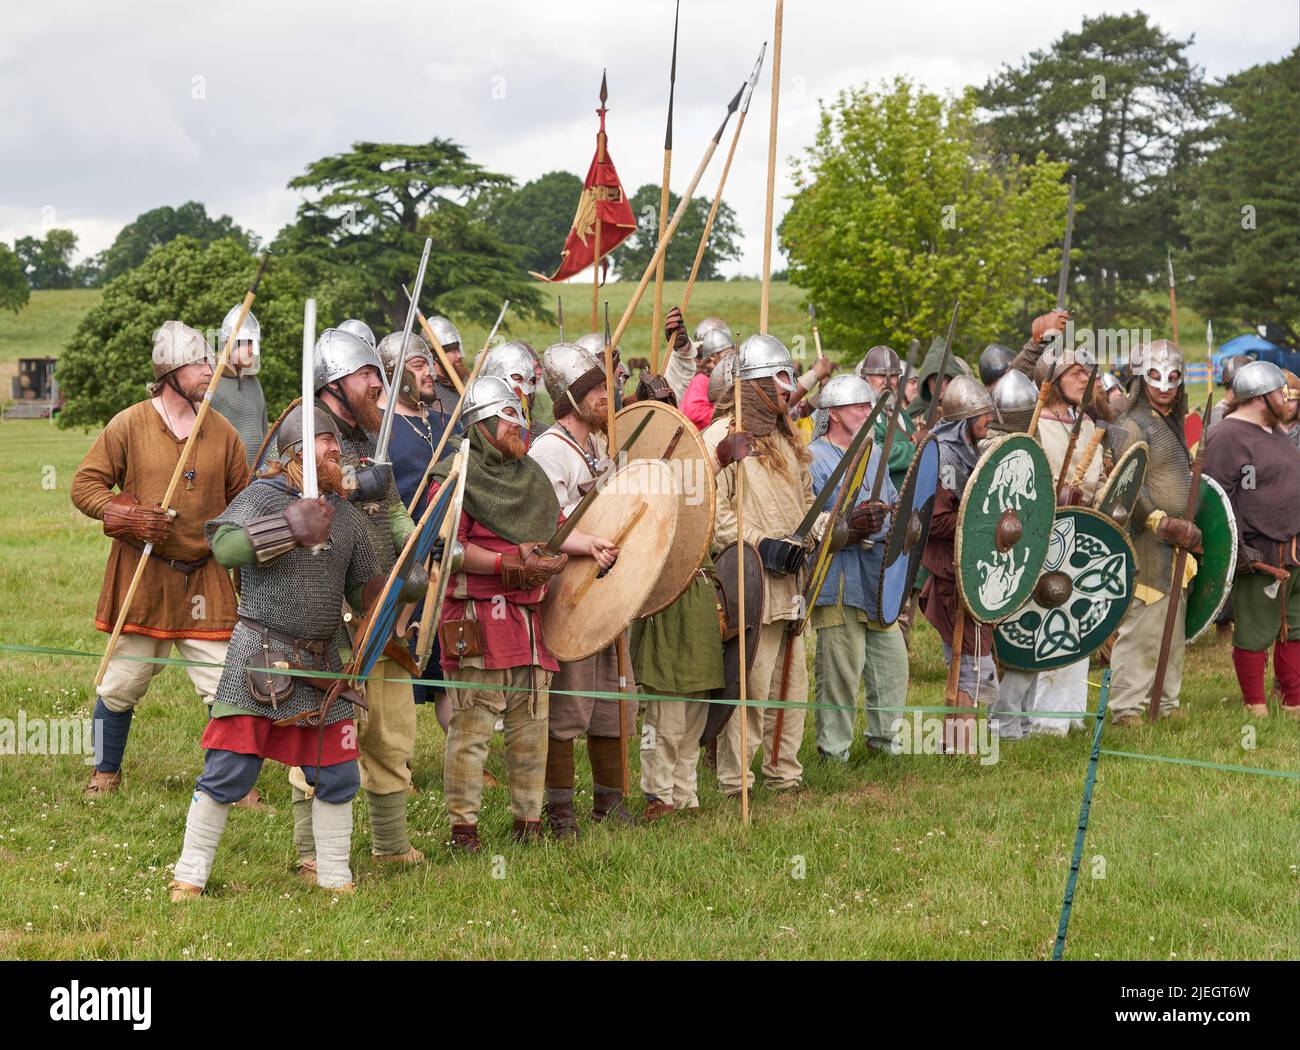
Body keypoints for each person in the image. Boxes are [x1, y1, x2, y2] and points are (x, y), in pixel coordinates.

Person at [169, 405, 384, 900]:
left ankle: (334, 877)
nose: (340, 451)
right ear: (296, 453)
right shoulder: (264, 496)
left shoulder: (345, 515)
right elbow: (222, 546)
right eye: (327, 442)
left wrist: (393, 589)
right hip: (260, 655)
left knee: (336, 773)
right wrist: (290, 527)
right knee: (229, 767)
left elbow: (362, 587)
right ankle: (190, 875)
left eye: (338, 442)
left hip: (325, 662)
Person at [71, 321, 249, 797]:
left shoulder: (223, 431)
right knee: (121, 683)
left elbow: (245, 500)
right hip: (143, 576)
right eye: (200, 364)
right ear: (171, 371)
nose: (211, 371)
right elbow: (85, 486)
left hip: (204, 578)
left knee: (224, 686)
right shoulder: (129, 424)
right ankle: (105, 772)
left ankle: (232, 784)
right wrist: (129, 518)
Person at [289, 328, 424, 873]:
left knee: (391, 728)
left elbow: (392, 513)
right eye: (368, 375)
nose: (378, 384)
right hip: (323, 607)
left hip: (379, 606)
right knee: (320, 729)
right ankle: (308, 852)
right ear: (337, 383)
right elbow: (288, 496)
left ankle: (391, 845)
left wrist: (415, 547)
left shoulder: (374, 439)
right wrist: (347, 479)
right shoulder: (300, 435)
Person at [428, 376, 584, 850]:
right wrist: (503, 563)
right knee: (471, 728)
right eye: (509, 417)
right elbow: (444, 548)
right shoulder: (453, 476)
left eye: (520, 414)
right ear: (482, 425)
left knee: (531, 726)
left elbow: (555, 530)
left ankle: (528, 824)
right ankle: (464, 830)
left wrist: (588, 546)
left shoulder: (529, 476)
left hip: (527, 621)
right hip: (474, 618)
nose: (520, 425)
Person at [702, 334, 814, 796]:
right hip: (749, 583)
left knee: (792, 688)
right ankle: (736, 780)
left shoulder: (786, 439)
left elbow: (807, 504)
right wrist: (759, 545)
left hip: (793, 582)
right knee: (751, 685)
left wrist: (835, 524)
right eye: (780, 378)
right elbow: (711, 515)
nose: (789, 389)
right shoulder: (721, 438)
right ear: (754, 383)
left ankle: (784, 774)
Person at [528, 342, 632, 837]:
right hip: (569, 590)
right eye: (594, 390)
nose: (605, 396)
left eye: (604, 386)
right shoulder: (549, 450)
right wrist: (588, 542)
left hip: (606, 587)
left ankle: (610, 803)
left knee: (612, 696)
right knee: (570, 703)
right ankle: (561, 813)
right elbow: (542, 523)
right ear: (570, 397)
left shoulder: (599, 446)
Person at [630, 325, 728, 818]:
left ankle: (684, 790)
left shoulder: (691, 450)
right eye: (658, 400)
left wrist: (685, 349)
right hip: (660, 589)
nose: (668, 402)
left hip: (698, 586)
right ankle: (657, 792)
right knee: (666, 703)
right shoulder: (631, 459)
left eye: (671, 398)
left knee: (696, 698)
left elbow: (697, 488)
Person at [995, 350, 1104, 740]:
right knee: (1031, 628)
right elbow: (1019, 478)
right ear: (1051, 378)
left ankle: (1065, 716)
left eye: (1088, 372)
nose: (1084, 378)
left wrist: (1101, 501)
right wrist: (1048, 500)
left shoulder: (1088, 424)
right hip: (1040, 538)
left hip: (1081, 536)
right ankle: (1017, 721)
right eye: (1075, 371)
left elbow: (1100, 479)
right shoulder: (1034, 425)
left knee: (1072, 623)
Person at [1106, 340, 1202, 725]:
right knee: (1142, 627)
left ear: (1181, 383)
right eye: (1155, 377)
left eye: (1172, 378)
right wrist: (1158, 520)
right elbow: (1129, 480)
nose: (1164, 386)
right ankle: (1127, 707)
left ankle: (1165, 702)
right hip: (1147, 540)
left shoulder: (1172, 424)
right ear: (1141, 379)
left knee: (1171, 628)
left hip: (1178, 545)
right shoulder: (1133, 423)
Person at [807, 375, 901, 758]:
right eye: (858, 406)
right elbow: (809, 523)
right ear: (832, 413)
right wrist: (847, 523)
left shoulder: (874, 454)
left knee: (892, 664)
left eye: (869, 405)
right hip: (838, 577)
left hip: (876, 578)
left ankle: (886, 744)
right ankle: (834, 752)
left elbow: (894, 504)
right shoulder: (814, 458)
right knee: (840, 672)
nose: (867, 412)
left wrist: (890, 520)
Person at [1204, 361, 1300, 719]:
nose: (1286, 401)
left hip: (1292, 549)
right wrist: (1239, 549)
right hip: (1259, 552)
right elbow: (1215, 498)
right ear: (1263, 397)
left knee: (1295, 628)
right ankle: (1255, 706)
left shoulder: (1274, 432)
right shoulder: (1228, 436)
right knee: (1256, 631)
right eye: (1281, 393)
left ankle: (1293, 702)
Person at [374, 331, 459, 732]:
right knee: (392, 666)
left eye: (430, 364)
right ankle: (393, 763)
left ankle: (460, 756)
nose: (431, 373)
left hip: (443, 562)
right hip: (399, 562)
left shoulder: (445, 422)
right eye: (418, 365)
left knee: (446, 670)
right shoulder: (380, 429)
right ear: (393, 375)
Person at [918, 375, 999, 752]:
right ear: (963, 418)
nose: (987, 418)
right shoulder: (944, 455)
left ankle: (958, 740)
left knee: (974, 650)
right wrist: (984, 523)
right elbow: (934, 520)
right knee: (966, 654)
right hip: (951, 570)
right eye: (980, 413)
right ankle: (961, 742)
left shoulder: (973, 448)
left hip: (971, 567)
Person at [209, 304, 268, 471]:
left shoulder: (254, 383)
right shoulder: (211, 383)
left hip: (257, 478)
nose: (252, 350)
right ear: (230, 343)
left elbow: (265, 434)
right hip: (225, 477)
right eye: (247, 343)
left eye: (254, 343)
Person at [857, 345, 916, 490]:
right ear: (866, 377)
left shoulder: (900, 412)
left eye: (893, 376)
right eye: (881, 375)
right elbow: (875, 456)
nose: (888, 382)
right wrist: (915, 448)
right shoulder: (863, 415)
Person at [680, 321, 735, 429]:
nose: (731, 359)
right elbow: (694, 411)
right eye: (727, 355)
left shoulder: (725, 377)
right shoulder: (701, 379)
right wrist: (725, 417)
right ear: (712, 358)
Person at [424, 315, 470, 418]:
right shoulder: (431, 393)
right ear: (435, 356)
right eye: (452, 350)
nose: (459, 355)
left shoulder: (465, 381)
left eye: (458, 349)